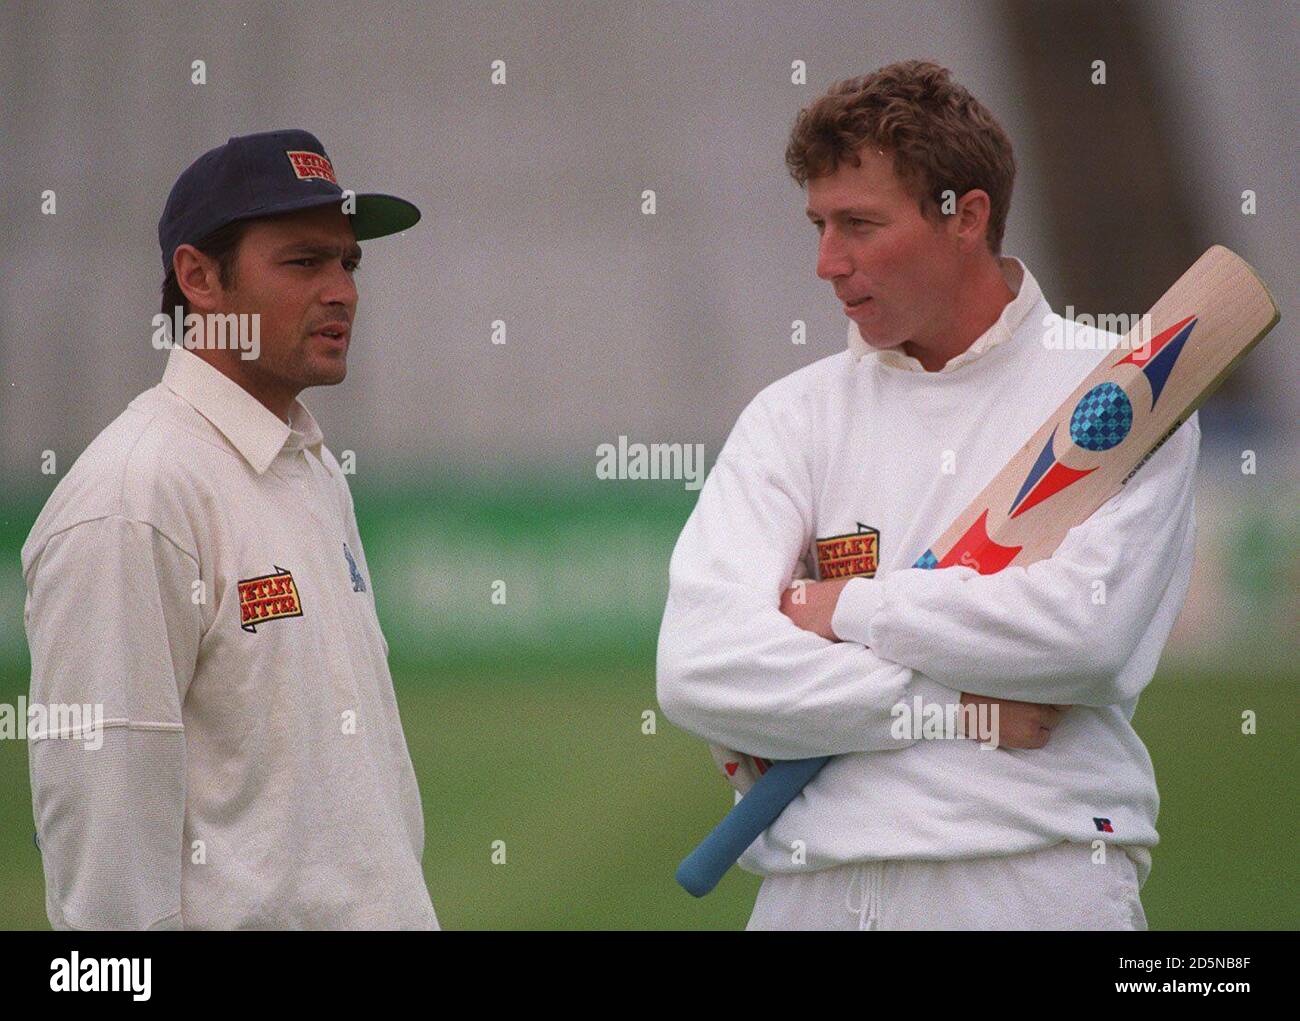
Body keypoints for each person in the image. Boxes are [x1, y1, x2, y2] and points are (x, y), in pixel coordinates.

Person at [656, 62, 1198, 930]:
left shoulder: (1118, 392)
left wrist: (848, 608)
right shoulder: (791, 415)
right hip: (808, 892)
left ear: (966, 216)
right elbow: (699, 667)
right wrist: (960, 712)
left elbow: (1082, 637)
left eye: (859, 225)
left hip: (1030, 880)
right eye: (819, 224)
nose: (827, 263)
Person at [22, 129, 439, 929]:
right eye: (303, 262)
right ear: (199, 278)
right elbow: (105, 869)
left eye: (348, 263)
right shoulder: (132, 497)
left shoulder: (309, 463)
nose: (343, 291)